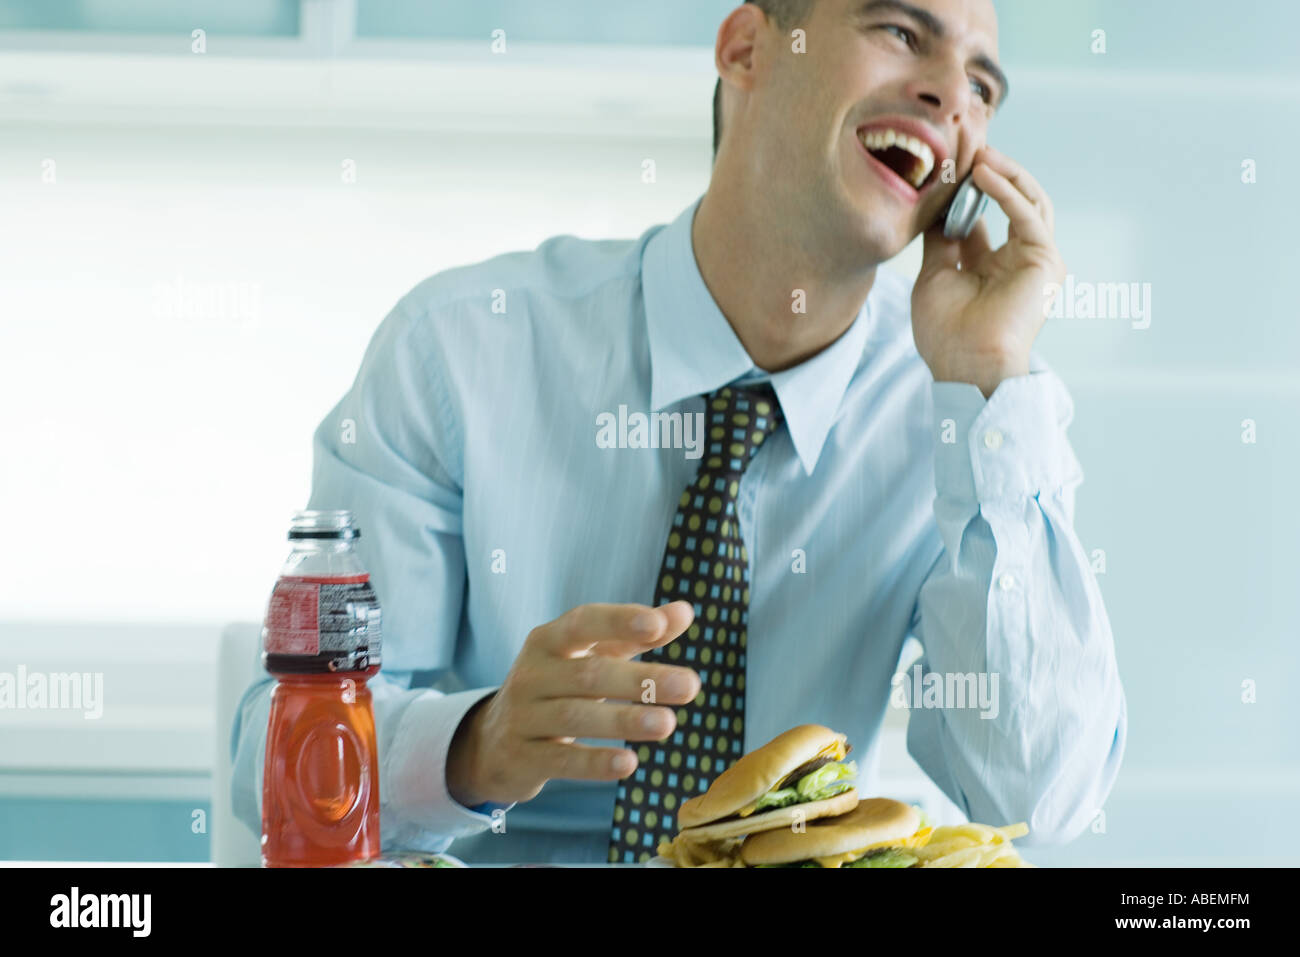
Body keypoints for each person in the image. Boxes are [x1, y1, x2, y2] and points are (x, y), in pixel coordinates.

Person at [232, 0, 1126, 865]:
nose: (949, 95)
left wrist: (987, 379)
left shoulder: (955, 415)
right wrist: (480, 742)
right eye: (900, 31)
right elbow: (271, 762)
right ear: (746, 49)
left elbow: (1034, 798)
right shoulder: (458, 349)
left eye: (982, 86)